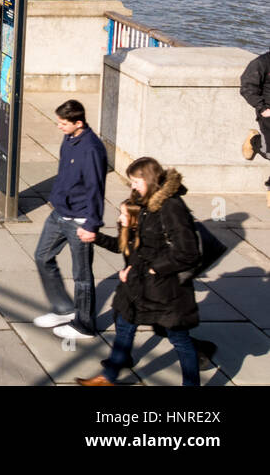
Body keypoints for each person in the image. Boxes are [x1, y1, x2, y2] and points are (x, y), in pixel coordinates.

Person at [76, 158, 204, 386]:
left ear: (150, 179)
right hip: (139, 284)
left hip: (166, 290)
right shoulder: (143, 202)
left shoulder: (172, 207)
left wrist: (154, 269)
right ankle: (109, 377)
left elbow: (188, 252)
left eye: (136, 181)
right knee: (125, 324)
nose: (132, 186)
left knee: (180, 340)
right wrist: (98, 238)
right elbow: (133, 245)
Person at [33, 99, 107, 341]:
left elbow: (96, 188)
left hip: (80, 219)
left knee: (82, 275)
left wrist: (91, 225)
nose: (59, 127)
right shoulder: (70, 138)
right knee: (43, 256)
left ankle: (85, 325)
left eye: (63, 123)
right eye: (58, 122)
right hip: (60, 213)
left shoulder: (92, 149)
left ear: (79, 122)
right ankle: (64, 309)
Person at [240, 46, 270, 199]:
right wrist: (263, 108)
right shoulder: (261, 63)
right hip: (268, 113)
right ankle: (253, 140)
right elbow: (247, 87)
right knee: (268, 151)